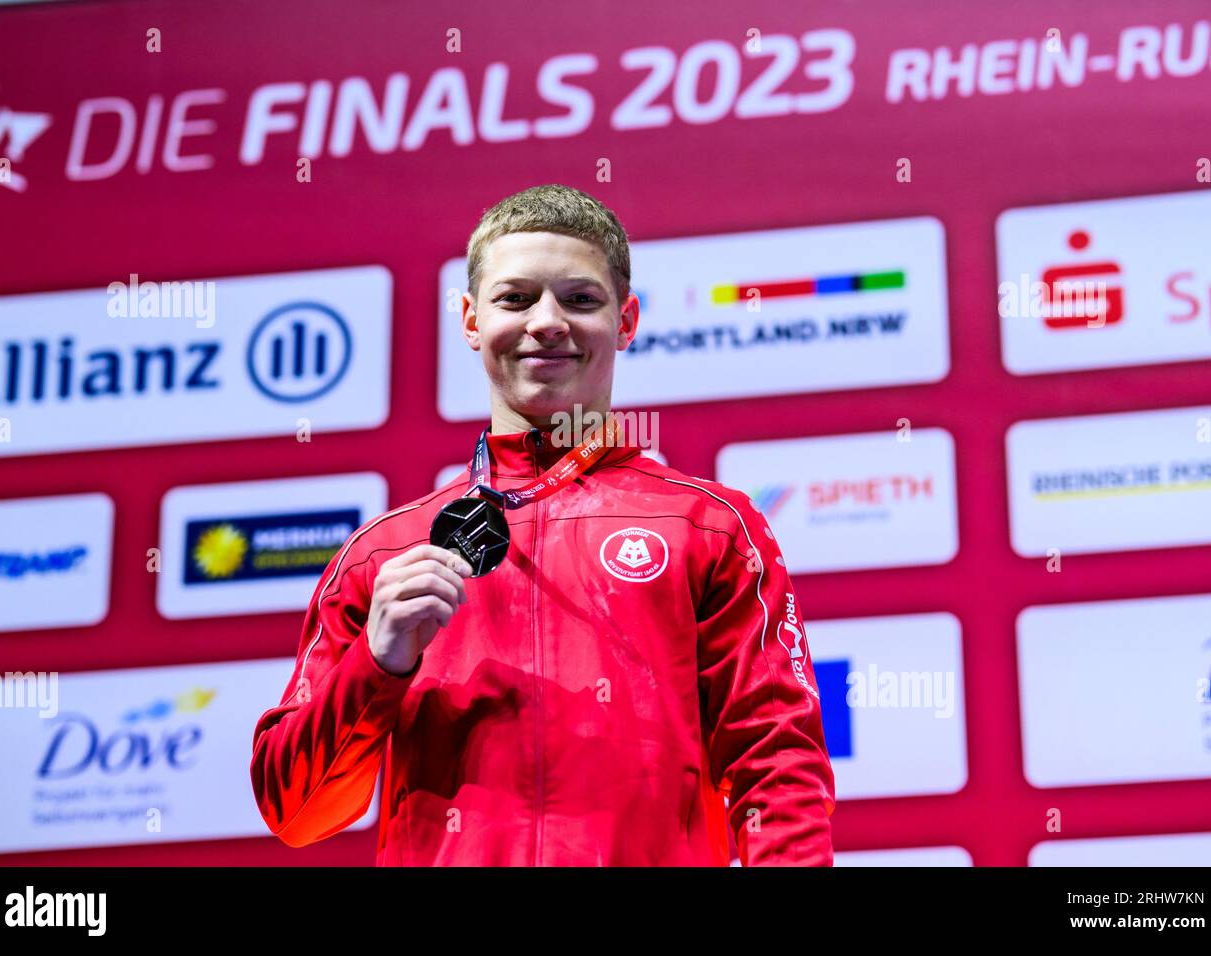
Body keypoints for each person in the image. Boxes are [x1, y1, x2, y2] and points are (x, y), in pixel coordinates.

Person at [250, 184, 836, 865]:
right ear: (471, 320)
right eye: (516, 298)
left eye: (580, 300)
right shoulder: (383, 555)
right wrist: (377, 665)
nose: (547, 321)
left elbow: (776, 766)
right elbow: (296, 811)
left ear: (626, 321)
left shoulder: (708, 527)